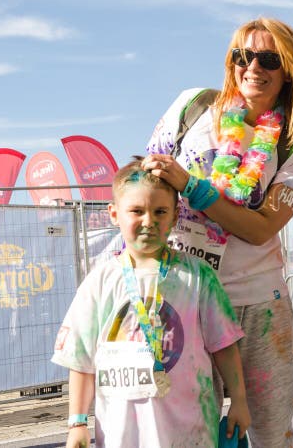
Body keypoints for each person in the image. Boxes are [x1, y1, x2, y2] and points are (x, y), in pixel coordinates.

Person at [143, 17, 293, 446]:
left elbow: (261, 230)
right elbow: (150, 178)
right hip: (183, 296)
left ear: (288, 69)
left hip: (257, 306)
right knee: (186, 432)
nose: (252, 67)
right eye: (243, 55)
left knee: (271, 434)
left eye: (268, 58)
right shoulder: (193, 106)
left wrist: (194, 188)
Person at [52, 158, 250, 448]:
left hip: (191, 432)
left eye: (160, 211)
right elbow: (81, 360)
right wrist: (77, 423)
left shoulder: (199, 277)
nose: (149, 221)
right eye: (136, 211)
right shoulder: (99, 283)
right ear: (114, 214)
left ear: (175, 216)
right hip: (122, 435)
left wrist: (240, 401)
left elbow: (224, 346)